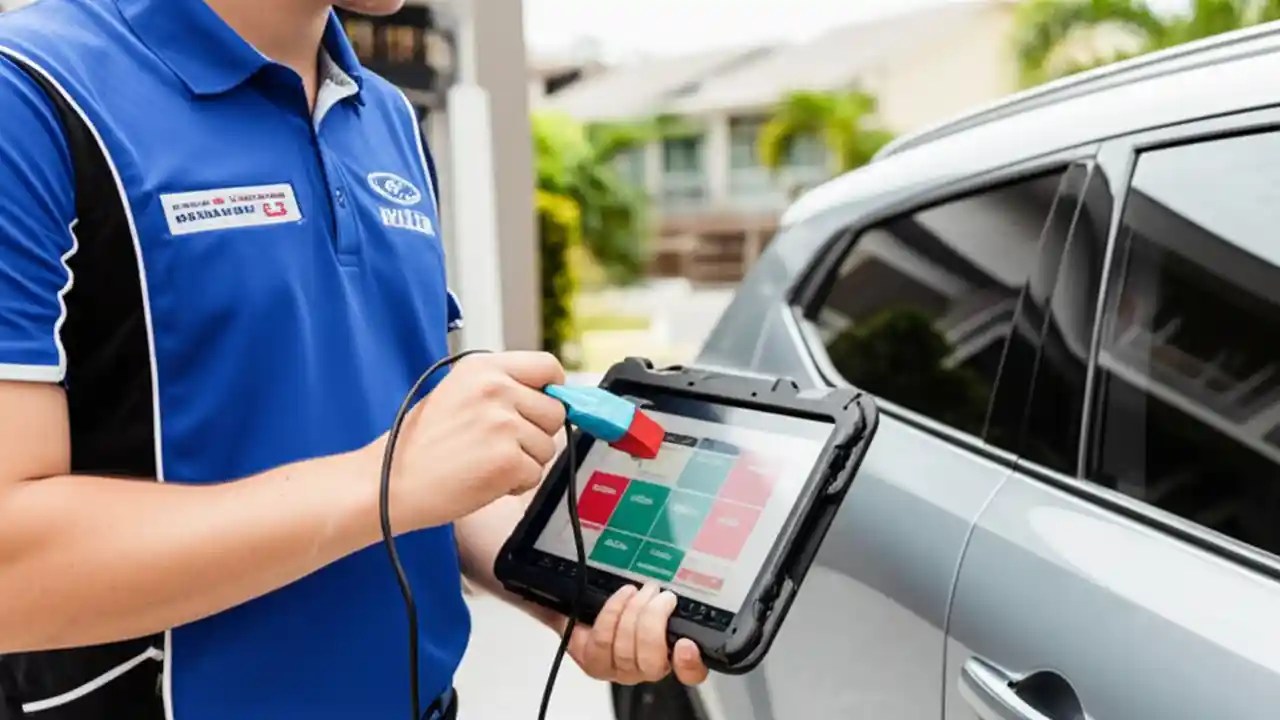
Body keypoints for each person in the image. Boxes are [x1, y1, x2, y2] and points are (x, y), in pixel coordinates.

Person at [0, 0, 709, 718]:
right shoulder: (27, 92)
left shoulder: (386, 116)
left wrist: (566, 587)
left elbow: (421, 467)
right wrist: (391, 476)